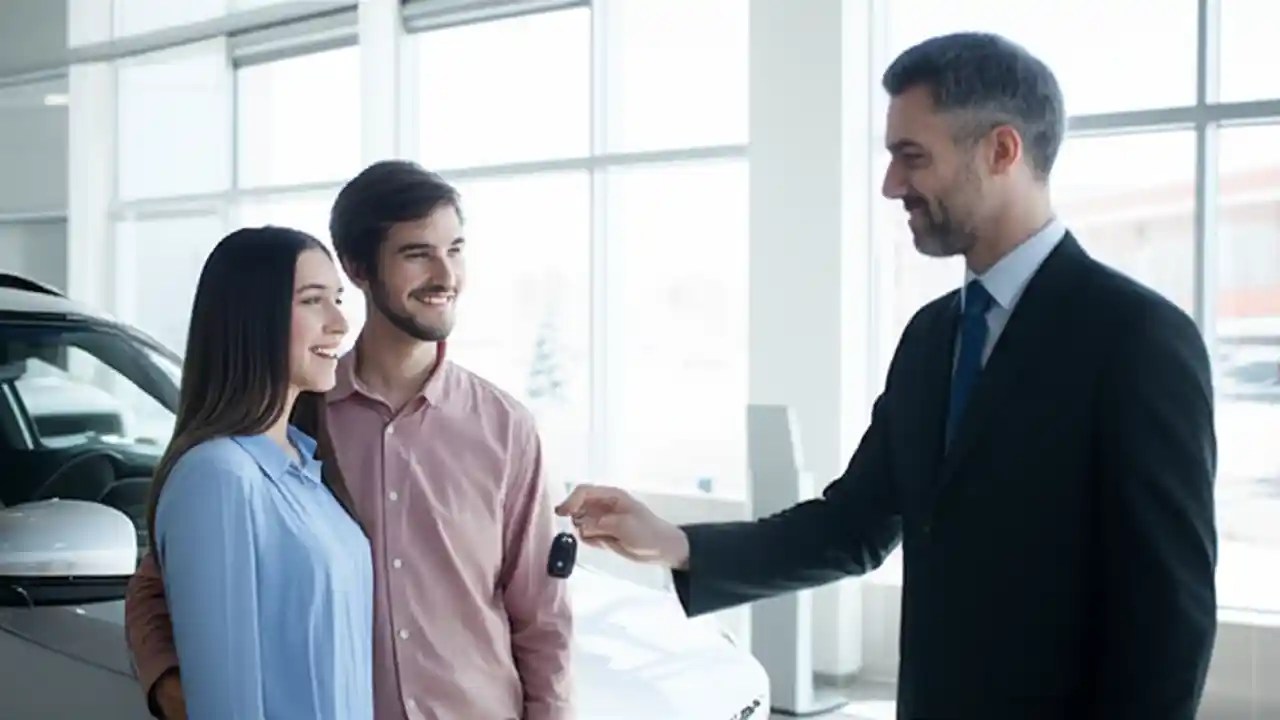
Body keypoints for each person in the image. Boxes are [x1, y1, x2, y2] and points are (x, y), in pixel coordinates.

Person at [557, 31, 1217, 720]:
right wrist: (677, 542)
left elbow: (1169, 616)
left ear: (1001, 151)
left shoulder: (1136, 339)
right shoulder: (933, 337)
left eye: (912, 157)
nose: (890, 185)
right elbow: (854, 526)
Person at [126, 161, 573, 720]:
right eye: (417, 254)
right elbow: (160, 583)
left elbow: (542, 618)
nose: (445, 274)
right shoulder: (293, 416)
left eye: (455, 249)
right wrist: (174, 686)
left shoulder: (506, 428)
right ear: (359, 267)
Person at [143, 226, 372, 720]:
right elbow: (226, 703)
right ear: (252, 319)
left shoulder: (306, 465)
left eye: (337, 298)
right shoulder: (218, 478)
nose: (339, 322)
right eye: (314, 301)